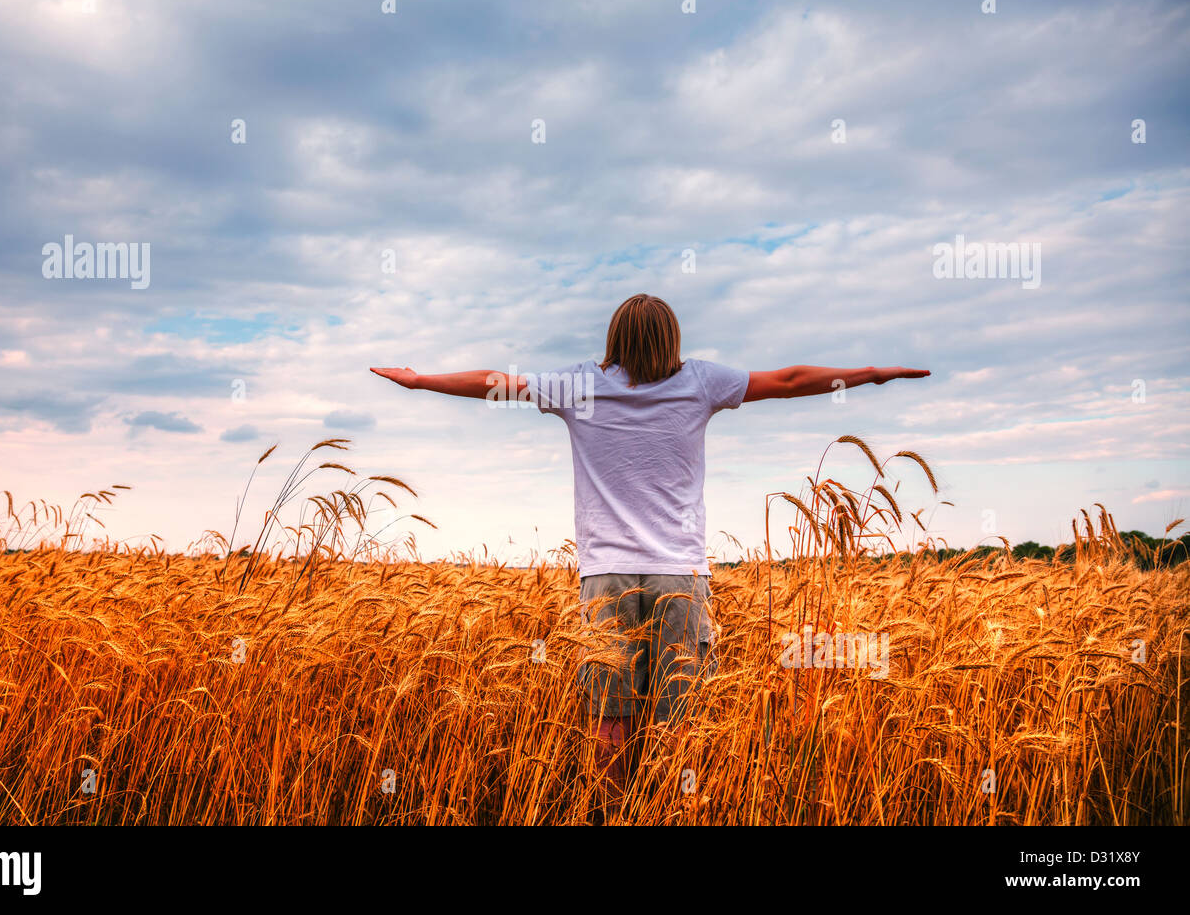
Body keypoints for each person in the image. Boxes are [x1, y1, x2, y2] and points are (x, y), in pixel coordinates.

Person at [370, 293, 929, 809]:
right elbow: (788, 380)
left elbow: (495, 382)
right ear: (673, 339)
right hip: (680, 577)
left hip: (604, 576)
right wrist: (871, 375)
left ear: (615, 338)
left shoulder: (579, 385)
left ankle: (615, 813)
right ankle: (671, 809)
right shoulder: (702, 382)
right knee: (679, 712)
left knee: (610, 714)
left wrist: (420, 381)